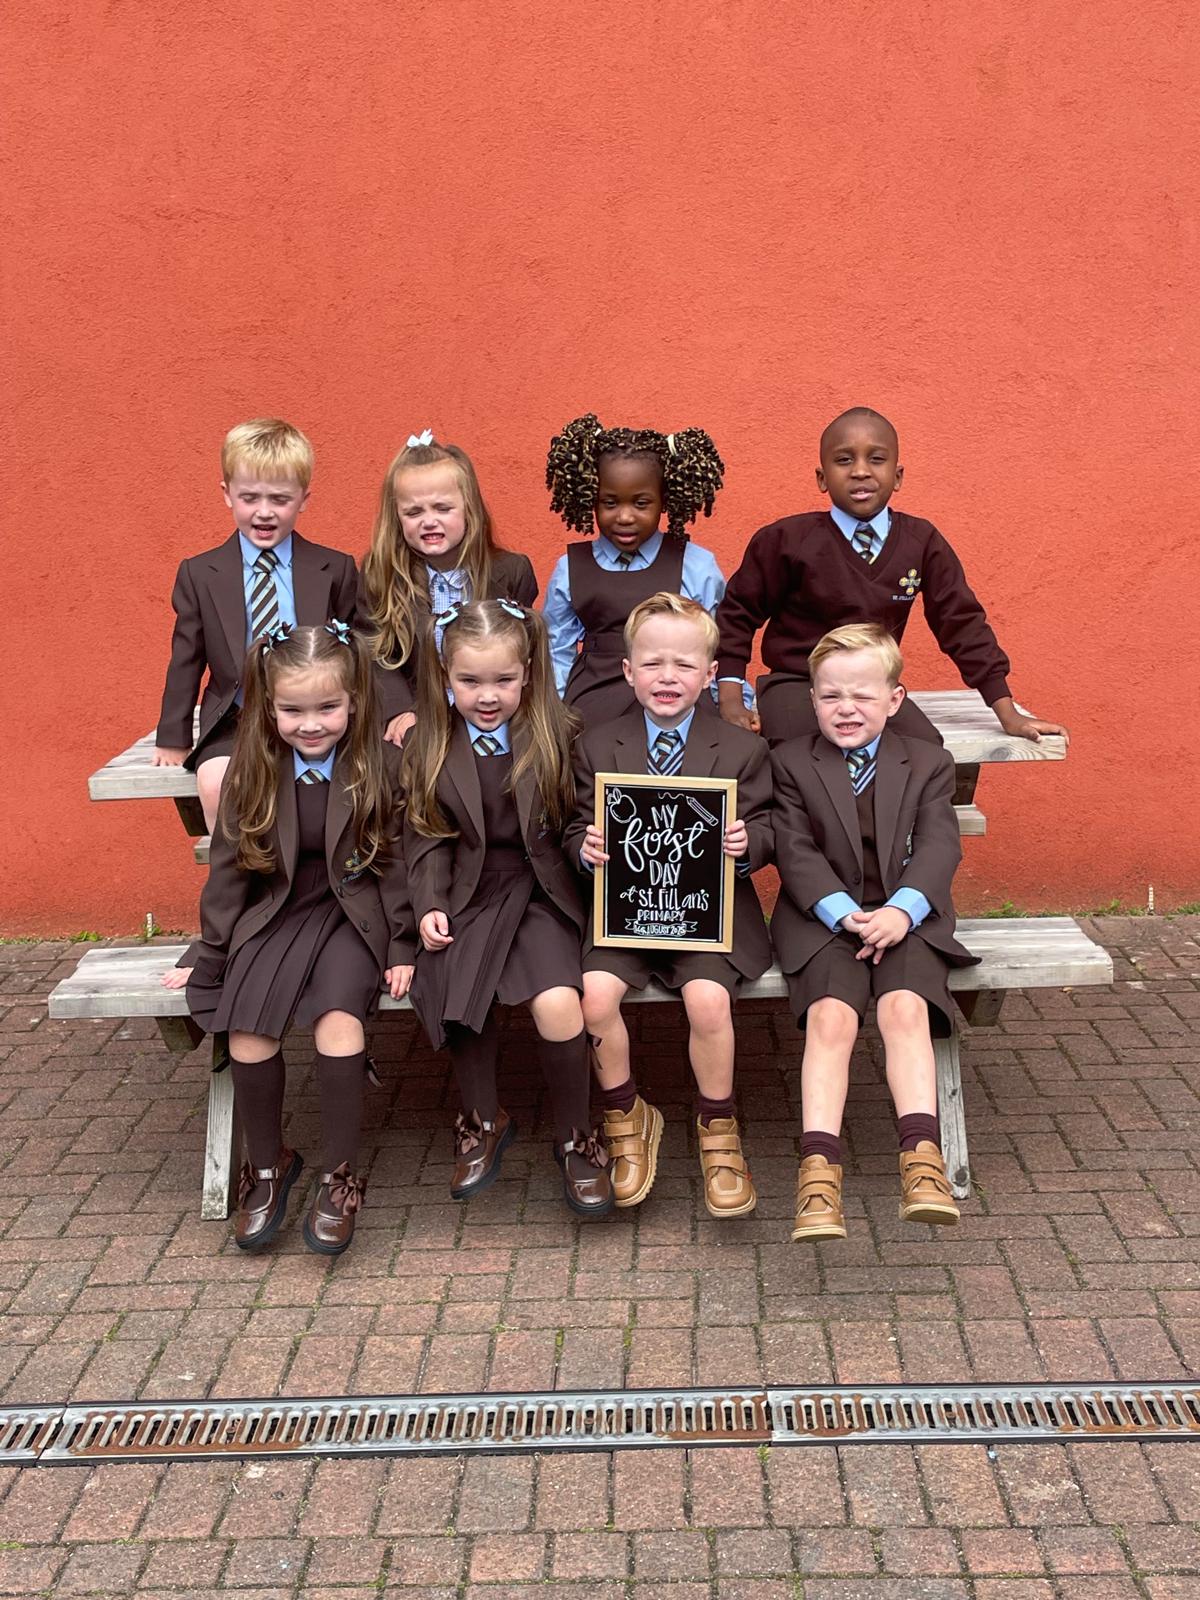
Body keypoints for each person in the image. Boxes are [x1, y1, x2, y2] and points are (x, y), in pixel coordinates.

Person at [164, 623, 415, 1255]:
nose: (311, 724)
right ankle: (269, 1166)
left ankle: (340, 1175)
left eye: (327, 707)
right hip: (274, 912)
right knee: (248, 1029)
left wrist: (404, 945)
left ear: (354, 701)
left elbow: (401, 863)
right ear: (266, 708)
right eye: (293, 710)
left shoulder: (378, 766)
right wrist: (211, 951)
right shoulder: (253, 769)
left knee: (339, 1020)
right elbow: (229, 870)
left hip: (351, 916)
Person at [401, 599, 613, 1217]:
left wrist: (590, 846)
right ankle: (482, 1117)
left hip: (540, 890)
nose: (487, 695)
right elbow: (425, 839)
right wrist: (429, 905)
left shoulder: (558, 732)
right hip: (466, 893)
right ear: (445, 678)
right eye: (469, 681)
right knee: (459, 984)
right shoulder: (427, 744)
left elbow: (579, 820)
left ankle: (576, 1133)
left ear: (528, 673)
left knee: (557, 1001)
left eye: (503, 680)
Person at [770, 623, 980, 1242]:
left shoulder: (927, 762)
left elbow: (940, 845)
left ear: (894, 698)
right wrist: (842, 912)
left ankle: (922, 1161)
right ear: (812, 699)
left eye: (863, 695)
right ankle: (818, 1172)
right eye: (831, 695)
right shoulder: (790, 762)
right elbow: (794, 848)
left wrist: (902, 911)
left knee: (904, 1009)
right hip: (824, 919)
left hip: (907, 918)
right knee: (832, 1018)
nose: (846, 708)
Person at [565, 593, 773, 1218]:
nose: (667, 677)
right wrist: (587, 846)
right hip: (623, 912)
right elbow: (574, 825)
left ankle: (718, 1129)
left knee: (707, 1000)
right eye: (652, 663)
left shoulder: (740, 751)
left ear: (711, 674)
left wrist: (745, 843)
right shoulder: (596, 747)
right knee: (593, 998)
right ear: (627, 670)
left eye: (685, 664)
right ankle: (628, 1115)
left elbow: (768, 827)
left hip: (706, 915)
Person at [715, 407, 1070, 747]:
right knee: (803, 755)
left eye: (876, 459)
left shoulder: (922, 542)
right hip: (796, 685)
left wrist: (1006, 711)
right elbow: (737, 616)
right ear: (822, 479)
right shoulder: (785, 541)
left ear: (897, 477)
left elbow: (961, 623)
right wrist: (731, 701)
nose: (860, 471)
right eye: (843, 460)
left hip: (874, 690)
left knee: (924, 750)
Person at [154, 418, 358, 831]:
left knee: (347, 785)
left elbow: (357, 650)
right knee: (215, 783)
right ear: (227, 495)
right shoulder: (200, 574)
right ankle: (237, 887)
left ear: (304, 499)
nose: (264, 512)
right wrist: (173, 736)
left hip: (315, 717)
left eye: (280, 499)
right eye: (250, 497)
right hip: (237, 718)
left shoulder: (334, 568)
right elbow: (186, 658)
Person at [543, 413, 751, 727]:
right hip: (593, 701)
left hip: (679, 699)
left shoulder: (695, 565)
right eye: (610, 503)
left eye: (641, 503)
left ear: (665, 501)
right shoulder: (570, 568)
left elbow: (714, 646)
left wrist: (735, 704)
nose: (625, 516)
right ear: (590, 500)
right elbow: (556, 650)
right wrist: (553, 713)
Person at [358, 432, 537, 745]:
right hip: (416, 718)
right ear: (396, 518)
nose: (429, 521)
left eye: (442, 508)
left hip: (492, 714)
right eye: (414, 512)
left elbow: (524, 653)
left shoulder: (510, 571)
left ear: (469, 509)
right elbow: (375, 653)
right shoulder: (381, 575)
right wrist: (399, 710)